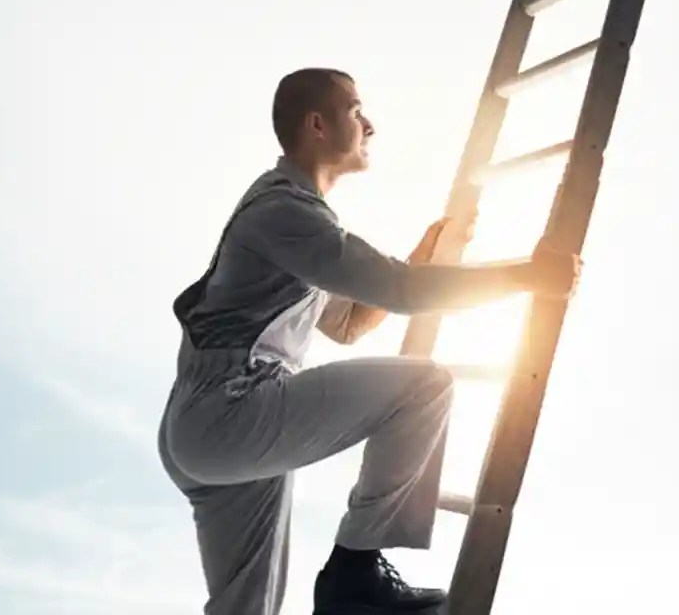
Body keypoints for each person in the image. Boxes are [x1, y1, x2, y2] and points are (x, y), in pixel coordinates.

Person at [157, 68, 582, 615]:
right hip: (230, 411)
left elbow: (349, 324)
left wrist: (421, 260)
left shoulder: (288, 214)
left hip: (205, 431)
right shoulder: (285, 212)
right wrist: (527, 276)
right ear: (317, 124)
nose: (370, 125)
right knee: (424, 386)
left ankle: (353, 578)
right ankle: (355, 573)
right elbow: (399, 290)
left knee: (245, 608)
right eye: (356, 111)